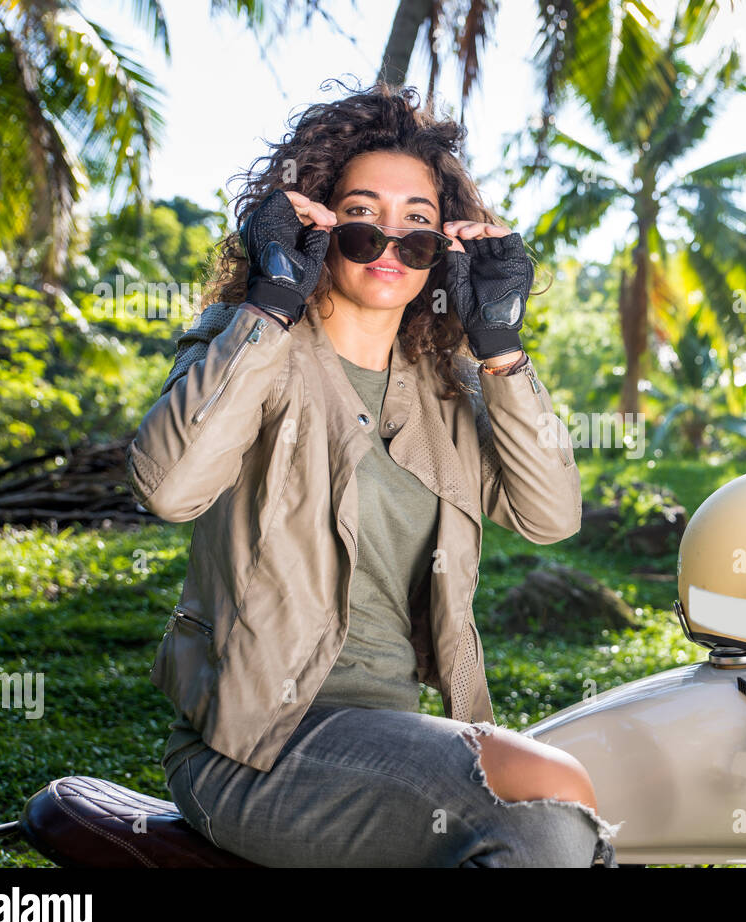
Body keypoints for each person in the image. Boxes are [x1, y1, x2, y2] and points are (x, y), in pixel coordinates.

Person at [127, 80, 620, 866]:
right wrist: (271, 301)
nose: (390, 243)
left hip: (395, 730)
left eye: (417, 225)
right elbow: (168, 486)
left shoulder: (450, 385)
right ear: (318, 224)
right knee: (550, 785)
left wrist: (499, 345)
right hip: (254, 744)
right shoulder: (248, 343)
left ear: (443, 248)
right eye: (362, 216)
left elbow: (551, 514)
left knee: (558, 830)